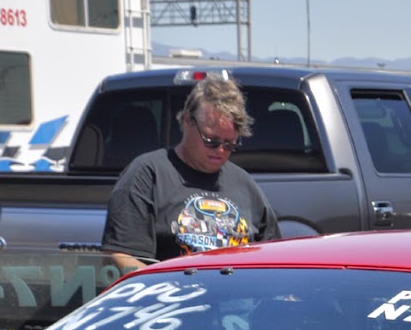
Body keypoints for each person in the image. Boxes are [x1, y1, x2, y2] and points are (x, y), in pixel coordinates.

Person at [102, 77, 280, 277]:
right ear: (187, 121)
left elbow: (272, 258)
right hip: (172, 303)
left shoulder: (245, 185)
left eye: (229, 144)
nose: (220, 150)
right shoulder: (147, 175)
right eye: (211, 140)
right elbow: (121, 255)